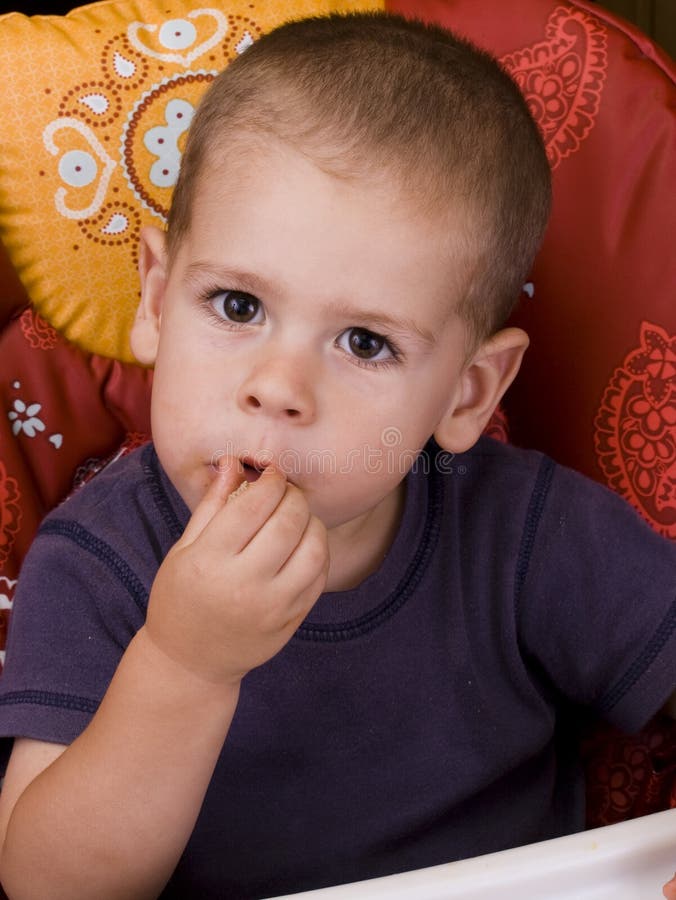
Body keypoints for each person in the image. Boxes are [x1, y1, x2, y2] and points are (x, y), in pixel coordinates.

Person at [0, 11, 674, 899]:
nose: (278, 388)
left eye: (364, 343)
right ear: (156, 303)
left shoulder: (521, 530)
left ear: (467, 392)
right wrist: (185, 664)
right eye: (238, 306)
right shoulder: (98, 564)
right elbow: (49, 887)